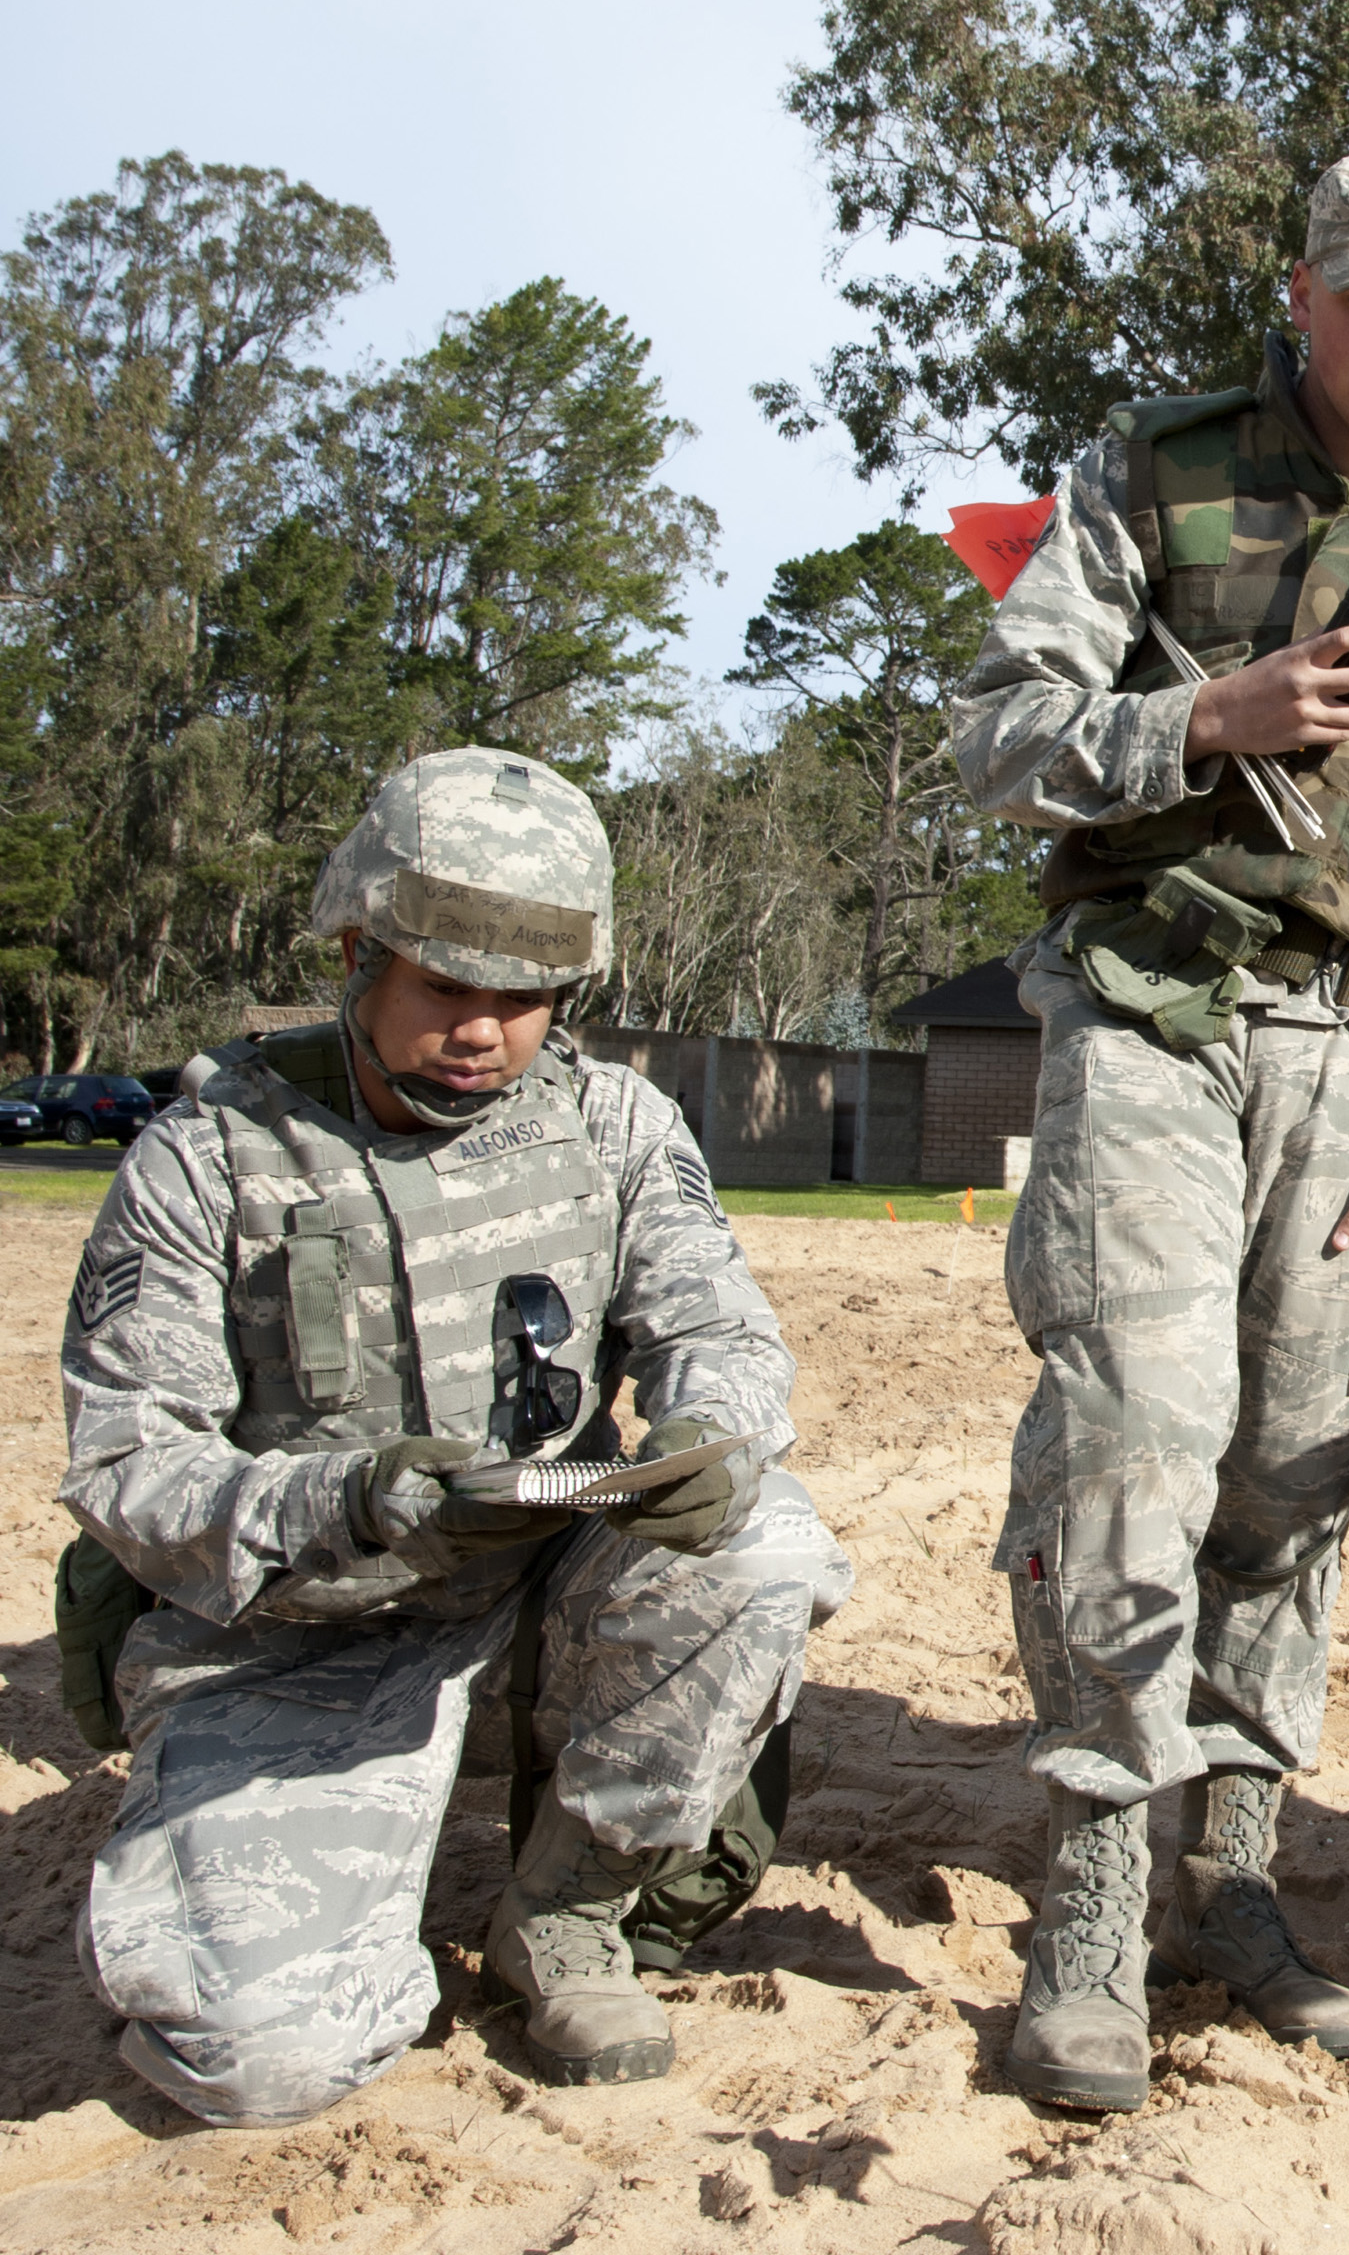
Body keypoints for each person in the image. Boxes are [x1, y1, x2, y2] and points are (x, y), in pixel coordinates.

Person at [947, 144, 1349, 2111]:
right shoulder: (1153, 469)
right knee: (1143, 1436)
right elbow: (991, 738)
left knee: (1300, 1470)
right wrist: (1199, 721)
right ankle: (1093, 1883)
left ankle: (1231, 1872)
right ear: (1297, 290)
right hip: (1148, 1025)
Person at [57, 749, 846, 2128]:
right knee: (258, 2064)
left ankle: (569, 1914)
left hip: (538, 1598)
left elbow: (721, 1330)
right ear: (359, 951)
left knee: (765, 1542)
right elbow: (130, 1471)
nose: (484, 1033)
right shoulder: (208, 1156)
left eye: (526, 1000)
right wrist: (344, 1500)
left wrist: (711, 1431)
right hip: (294, 1637)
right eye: (447, 990)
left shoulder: (613, 1123)